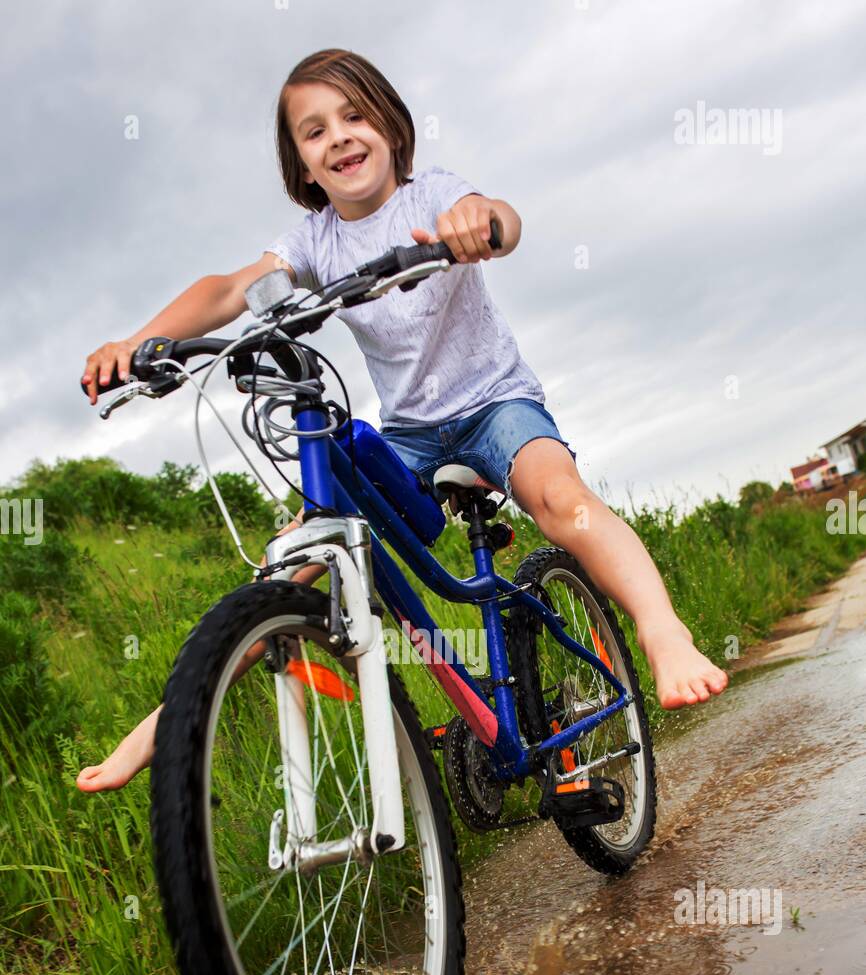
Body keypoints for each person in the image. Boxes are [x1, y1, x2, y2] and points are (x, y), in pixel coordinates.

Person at [77, 47, 726, 794]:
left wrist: (480, 223)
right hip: (411, 435)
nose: (341, 137)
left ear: (389, 124)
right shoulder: (315, 242)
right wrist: (139, 342)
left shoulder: (431, 199)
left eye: (355, 116)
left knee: (560, 500)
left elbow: (501, 220)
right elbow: (228, 288)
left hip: (495, 405)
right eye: (315, 131)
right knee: (294, 561)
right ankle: (166, 720)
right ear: (303, 167)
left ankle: (660, 629)